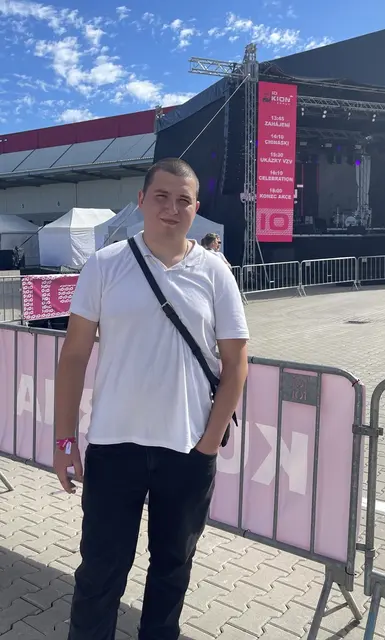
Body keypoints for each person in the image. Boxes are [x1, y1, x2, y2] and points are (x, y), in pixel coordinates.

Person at [53, 157, 249, 640]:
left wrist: (208, 443)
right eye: (161, 196)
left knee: (171, 571)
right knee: (100, 572)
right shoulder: (105, 265)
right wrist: (64, 441)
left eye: (184, 200)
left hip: (186, 450)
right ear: (141, 200)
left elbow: (236, 363)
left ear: (196, 209)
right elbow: (74, 355)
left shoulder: (215, 272)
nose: (171, 209)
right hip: (114, 445)